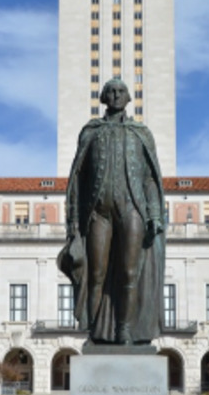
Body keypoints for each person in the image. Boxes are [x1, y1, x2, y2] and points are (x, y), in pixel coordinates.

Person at [58, 77, 166, 344]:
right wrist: (73, 225)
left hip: (133, 209)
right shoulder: (90, 132)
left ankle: (124, 329)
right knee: (96, 273)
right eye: (111, 92)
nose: (116, 95)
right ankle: (96, 330)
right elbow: (77, 181)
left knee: (130, 272)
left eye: (121, 91)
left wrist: (154, 212)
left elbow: (150, 178)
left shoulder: (141, 133)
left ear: (129, 98)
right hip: (98, 212)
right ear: (103, 98)